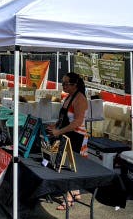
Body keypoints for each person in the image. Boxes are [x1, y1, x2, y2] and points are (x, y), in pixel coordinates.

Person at [49, 72, 89, 210]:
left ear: (75, 84)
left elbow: (77, 122)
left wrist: (58, 131)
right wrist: (55, 126)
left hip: (77, 136)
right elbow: (64, 118)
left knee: (70, 166)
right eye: (62, 83)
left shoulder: (80, 99)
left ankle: (69, 197)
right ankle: (76, 192)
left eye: (66, 83)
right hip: (68, 134)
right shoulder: (69, 97)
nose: (63, 85)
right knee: (68, 164)